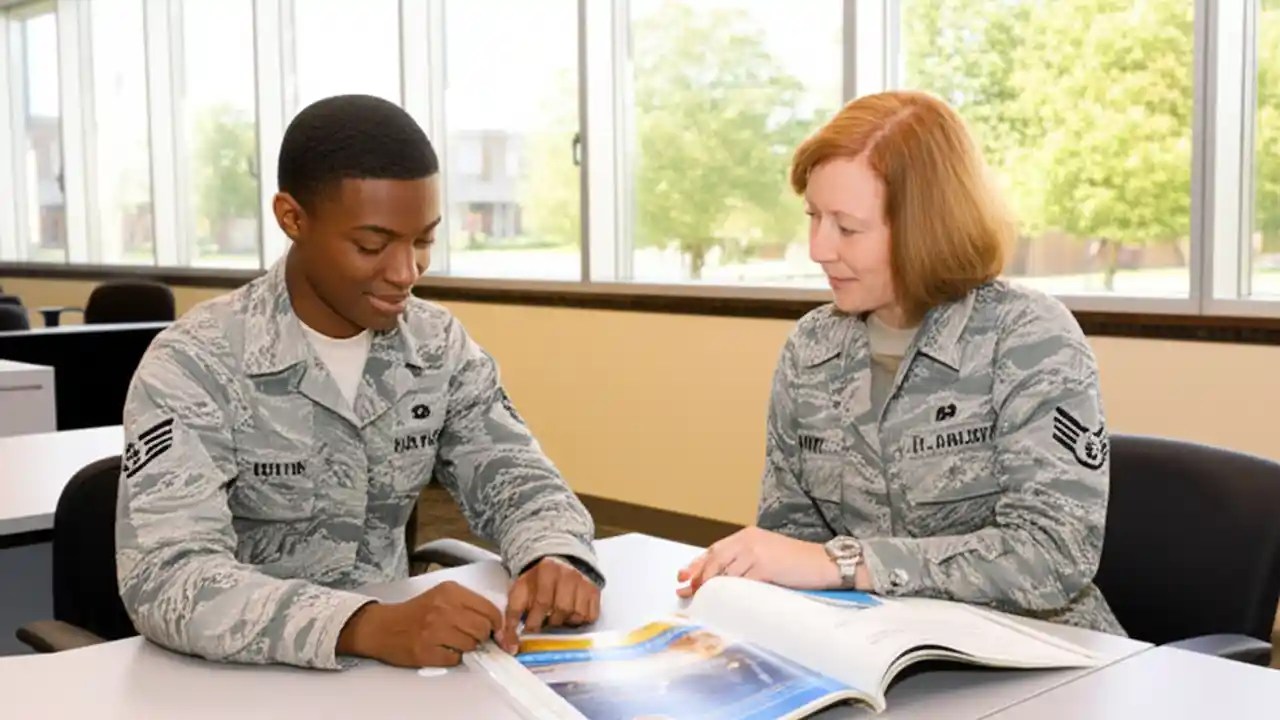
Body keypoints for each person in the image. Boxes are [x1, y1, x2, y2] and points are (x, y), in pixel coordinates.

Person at [116, 94, 604, 670]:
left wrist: (553, 554)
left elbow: (518, 477)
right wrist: (361, 624)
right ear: (292, 218)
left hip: (397, 675)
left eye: (423, 241)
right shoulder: (196, 362)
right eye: (372, 246)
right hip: (244, 679)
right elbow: (166, 575)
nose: (406, 272)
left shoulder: (436, 346)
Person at [676, 90, 1124, 635]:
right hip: (878, 648)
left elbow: (1053, 553)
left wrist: (846, 564)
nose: (819, 248)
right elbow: (791, 542)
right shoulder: (811, 349)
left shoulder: (1028, 337)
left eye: (847, 227)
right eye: (814, 217)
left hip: (1043, 651)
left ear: (925, 228)